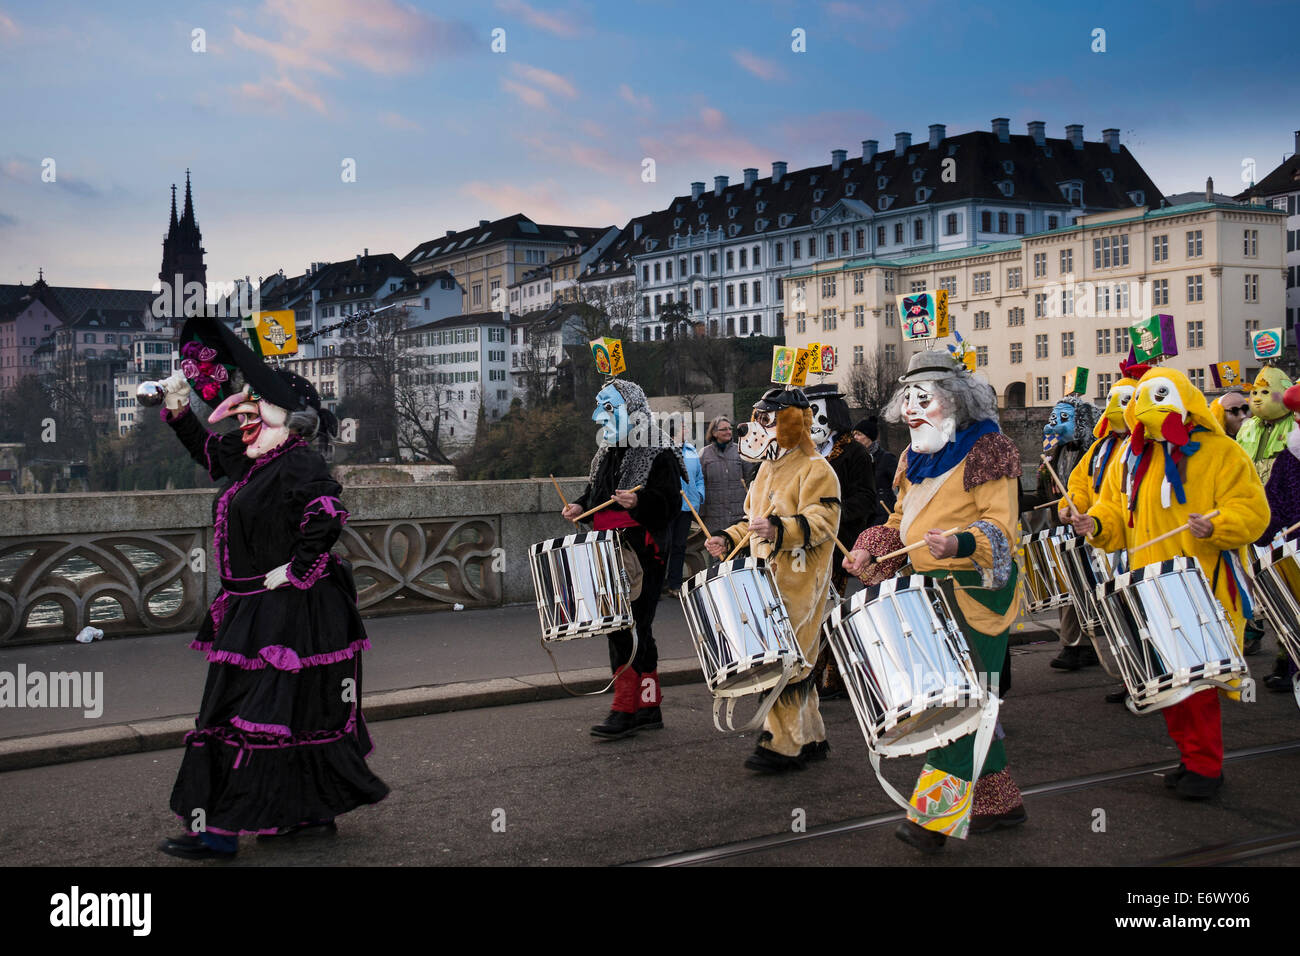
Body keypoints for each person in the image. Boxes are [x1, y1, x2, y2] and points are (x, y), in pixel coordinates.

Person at [156, 318, 388, 860]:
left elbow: (326, 513)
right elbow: (208, 453)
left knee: (244, 713)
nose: (243, 423)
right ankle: (304, 814)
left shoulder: (298, 460)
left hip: (289, 610)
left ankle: (217, 831)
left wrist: (297, 570)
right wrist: (176, 409)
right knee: (293, 712)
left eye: (254, 413)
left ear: (290, 421)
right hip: (257, 608)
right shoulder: (257, 459)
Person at [843, 350, 1026, 851]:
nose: (912, 410)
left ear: (957, 401)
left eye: (924, 399)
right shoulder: (914, 456)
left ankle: (932, 819)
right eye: (908, 399)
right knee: (972, 697)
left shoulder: (990, 450)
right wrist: (869, 548)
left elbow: (1002, 528)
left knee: (962, 703)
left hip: (976, 594)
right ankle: (999, 799)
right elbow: (901, 522)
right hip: (928, 596)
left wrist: (961, 543)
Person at [1068, 367, 1268, 799]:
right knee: (1167, 682)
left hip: (1201, 585)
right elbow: (1116, 515)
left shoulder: (1223, 454)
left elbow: (1253, 513)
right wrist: (1095, 524)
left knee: (1197, 684)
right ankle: (1189, 757)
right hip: (1147, 583)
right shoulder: (1131, 458)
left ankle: (1206, 768)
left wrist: (1216, 527)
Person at [705, 387, 840, 773]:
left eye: (767, 419)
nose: (755, 427)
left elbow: (823, 524)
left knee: (786, 663)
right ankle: (811, 737)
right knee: (795, 662)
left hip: (802, 580)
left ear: (789, 425)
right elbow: (754, 521)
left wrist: (780, 529)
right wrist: (729, 538)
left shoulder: (818, 470)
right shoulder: (765, 470)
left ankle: (781, 744)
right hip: (767, 579)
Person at [562, 377, 686, 739]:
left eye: (607, 407)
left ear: (633, 411)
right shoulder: (606, 453)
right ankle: (648, 706)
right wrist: (580, 506)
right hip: (606, 548)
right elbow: (595, 495)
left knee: (626, 627)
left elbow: (671, 504)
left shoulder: (658, 450)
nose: (597, 415)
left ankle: (625, 706)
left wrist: (640, 502)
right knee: (631, 627)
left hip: (642, 551)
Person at [1057, 363, 1146, 701]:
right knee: (1118, 614)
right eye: (1110, 399)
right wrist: (1073, 506)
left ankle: (1147, 677)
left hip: (1138, 543)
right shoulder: (1100, 448)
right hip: (1104, 541)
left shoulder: (1145, 446)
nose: (1113, 407)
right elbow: (1080, 483)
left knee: (1140, 613)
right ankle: (1131, 677)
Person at [806, 383, 879, 697]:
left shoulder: (854, 452)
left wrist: (836, 511)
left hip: (838, 544)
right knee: (809, 612)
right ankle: (810, 674)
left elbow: (866, 499)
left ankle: (831, 679)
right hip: (805, 543)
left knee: (828, 612)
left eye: (813, 413)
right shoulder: (804, 451)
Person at [1038, 394, 1102, 671]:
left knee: (1086, 588)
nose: (1054, 425)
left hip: (1091, 529)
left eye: (1062, 418)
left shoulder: (1095, 451)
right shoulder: (1060, 452)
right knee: (1071, 588)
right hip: (1065, 529)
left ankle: (1081, 645)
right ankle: (1076, 645)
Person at [1255, 382, 1300, 691]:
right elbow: (1276, 498)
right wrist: (1261, 529)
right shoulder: (1290, 455)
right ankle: (1290, 662)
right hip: (1294, 545)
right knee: (1292, 606)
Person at [663, 438, 704, 597]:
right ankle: (658, 585)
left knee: (679, 546)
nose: (684, 432)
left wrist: (699, 495)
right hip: (667, 507)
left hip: (687, 507)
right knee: (663, 546)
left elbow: (699, 477)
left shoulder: (691, 451)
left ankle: (675, 584)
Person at [698, 416, 751, 536]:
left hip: (738, 514)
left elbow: (750, 480)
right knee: (717, 551)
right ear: (714, 433)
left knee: (738, 550)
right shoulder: (704, 454)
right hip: (714, 517)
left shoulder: (740, 451)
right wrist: (701, 512)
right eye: (724, 429)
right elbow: (700, 483)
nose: (728, 432)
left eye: (730, 429)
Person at [854, 416, 898, 513]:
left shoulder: (887, 458)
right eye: (854, 434)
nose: (855, 437)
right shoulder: (855, 460)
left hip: (883, 512)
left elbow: (900, 485)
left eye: (859, 434)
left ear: (869, 436)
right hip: (862, 513)